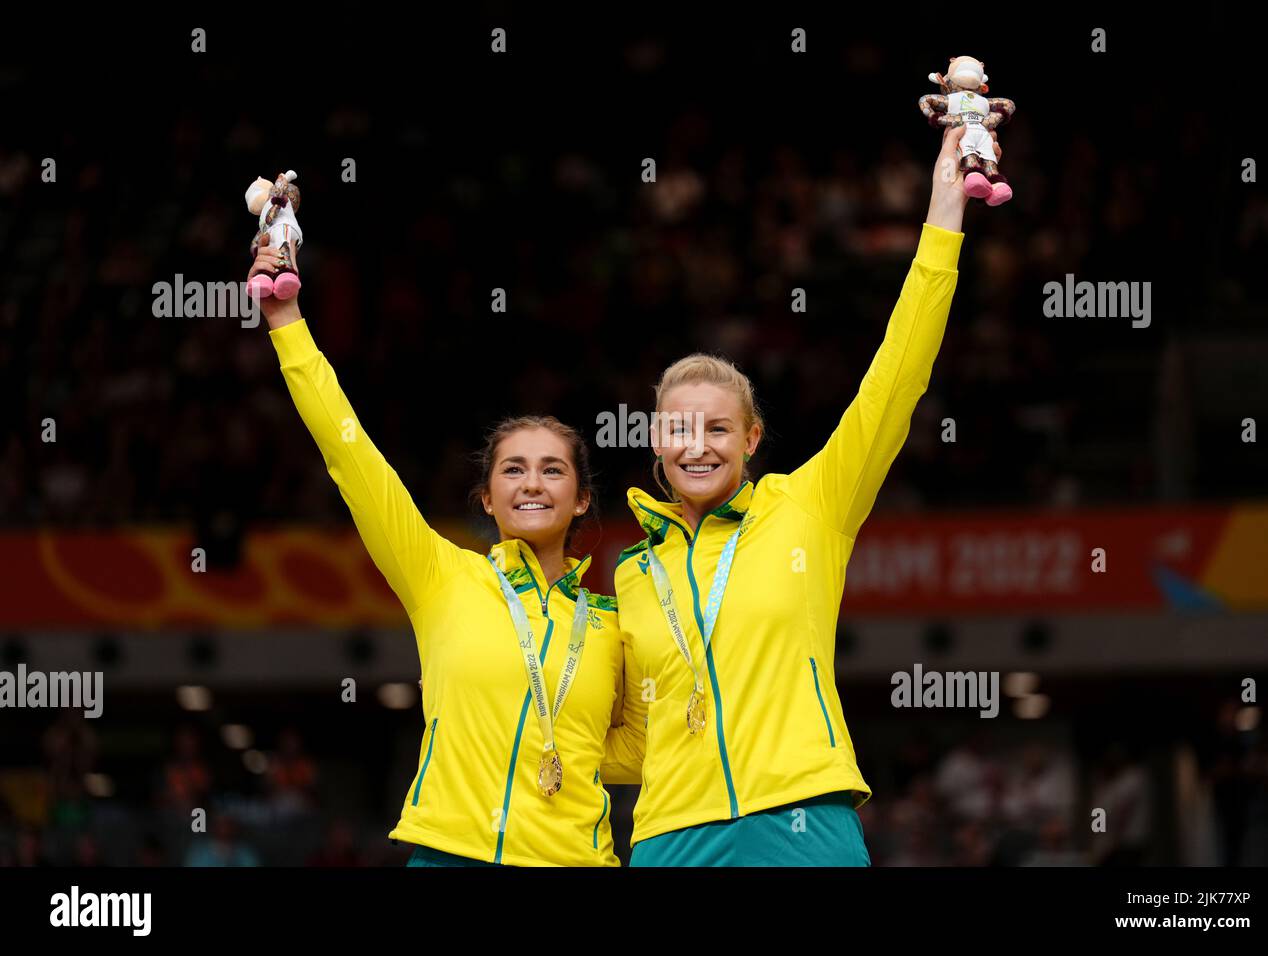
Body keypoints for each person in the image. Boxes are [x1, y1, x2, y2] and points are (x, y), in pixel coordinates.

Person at [612, 124, 984, 865]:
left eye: (719, 429)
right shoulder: (629, 576)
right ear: (655, 443)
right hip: (668, 839)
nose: (698, 445)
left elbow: (896, 377)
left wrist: (944, 211)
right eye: (679, 429)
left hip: (800, 823)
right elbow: (629, 745)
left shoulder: (811, 506)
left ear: (751, 441)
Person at [248, 249, 642, 866]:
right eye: (513, 470)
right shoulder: (442, 577)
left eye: (551, 470)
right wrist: (287, 322)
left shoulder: (613, 626)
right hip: (448, 854)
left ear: (581, 498)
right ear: (487, 499)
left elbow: (648, 746)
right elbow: (350, 456)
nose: (531, 484)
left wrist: (570, 748)